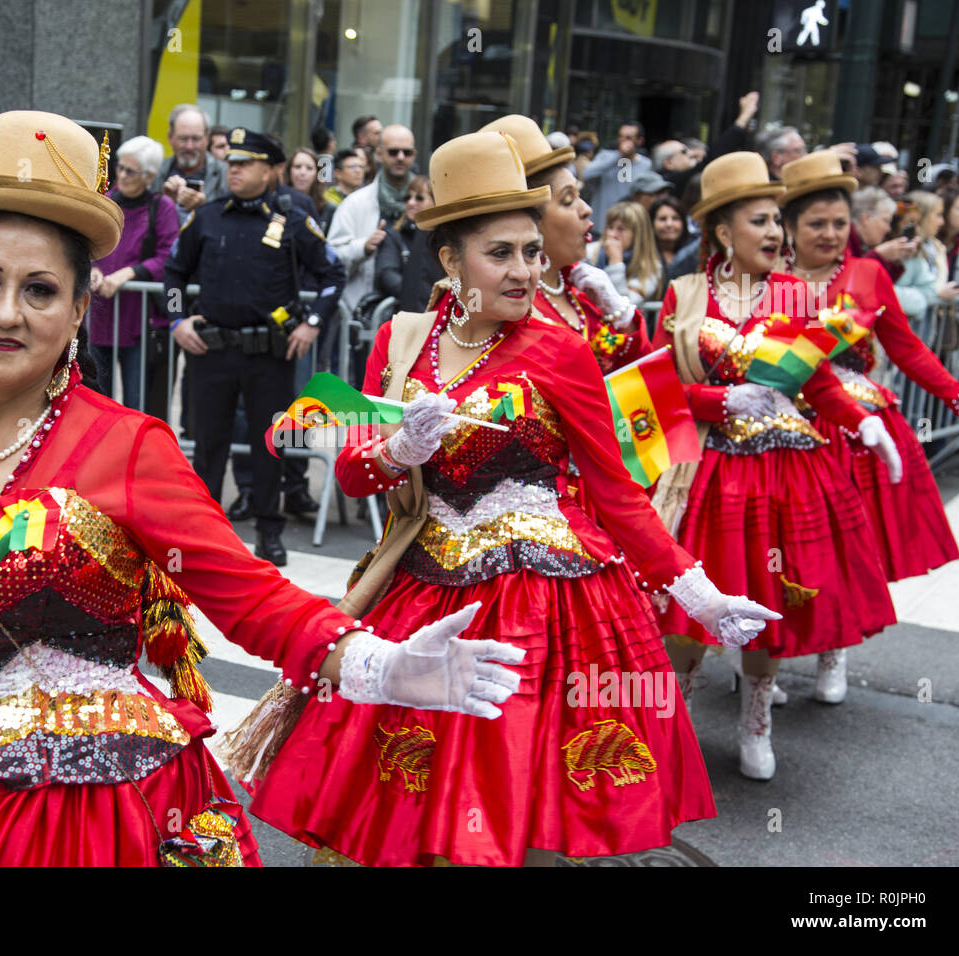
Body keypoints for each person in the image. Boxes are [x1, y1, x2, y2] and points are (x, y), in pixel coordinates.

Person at [0, 110, 516, 866]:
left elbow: (250, 597)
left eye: (40, 290)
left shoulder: (125, 447)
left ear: (77, 310)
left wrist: (375, 664)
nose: (6, 312)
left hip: (90, 814)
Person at [244, 129, 780, 866]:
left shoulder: (559, 349)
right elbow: (352, 478)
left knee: (518, 791)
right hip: (427, 588)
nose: (527, 270)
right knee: (408, 791)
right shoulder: (401, 342)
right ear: (449, 261)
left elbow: (617, 494)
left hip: (548, 601)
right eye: (501, 254)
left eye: (532, 250)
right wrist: (400, 450)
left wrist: (700, 597)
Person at [651, 152, 902, 780]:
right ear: (721, 231)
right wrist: (720, 398)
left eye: (776, 222)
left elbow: (815, 380)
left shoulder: (795, 292)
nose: (774, 234)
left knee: (769, 602)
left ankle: (755, 725)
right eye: (759, 220)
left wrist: (862, 421)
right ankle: (675, 725)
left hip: (781, 475)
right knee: (690, 606)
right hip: (705, 470)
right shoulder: (684, 295)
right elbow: (654, 391)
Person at [781, 151, 959, 592]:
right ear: (790, 227)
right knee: (781, 544)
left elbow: (906, 348)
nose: (830, 234)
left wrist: (956, 392)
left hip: (847, 424)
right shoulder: (766, 277)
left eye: (839, 223)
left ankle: (835, 646)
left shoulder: (867, 274)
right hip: (775, 419)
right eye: (817, 224)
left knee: (846, 545)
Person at [165, 129, 344, 566]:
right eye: (232, 163)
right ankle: (204, 535)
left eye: (245, 164)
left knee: (270, 446)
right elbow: (173, 272)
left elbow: (331, 275)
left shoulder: (294, 217)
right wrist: (176, 319)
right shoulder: (207, 216)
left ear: (271, 170)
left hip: (270, 355)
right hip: (212, 352)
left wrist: (313, 324)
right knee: (209, 446)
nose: (235, 170)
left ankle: (269, 532)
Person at [482, 115, 649, 376]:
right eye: (569, 201)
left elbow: (645, 378)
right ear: (527, 221)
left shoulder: (583, 292)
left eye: (580, 196)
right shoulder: (507, 303)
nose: (587, 210)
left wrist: (623, 316)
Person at [86, 135, 179, 416]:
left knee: (136, 401)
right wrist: (90, 269)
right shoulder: (104, 201)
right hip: (100, 315)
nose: (122, 175)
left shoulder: (162, 207)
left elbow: (168, 256)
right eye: (121, 167)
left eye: (131, 171)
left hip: (138, 319)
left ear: (150, 176)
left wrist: (130, 273)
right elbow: (86, 242)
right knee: (98, 399)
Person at [327, 124, 417, 321]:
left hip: (416, 317)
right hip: (363, 317)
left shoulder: (429, 202)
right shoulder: (355, 203)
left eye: (407, 152)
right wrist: (363, 247)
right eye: (393, 152)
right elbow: (330, 258)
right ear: (379, 154)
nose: (400, 157)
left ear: (414, 155)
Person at [895, 190, 959, 314]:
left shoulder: (937, 247)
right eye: (938, 215)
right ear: (922, 216)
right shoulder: (903, 247)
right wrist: (938, 293)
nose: (942, 222)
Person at [149, 104, 226, 215]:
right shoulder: (154, 172)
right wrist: (164, 203)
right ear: (170, 137)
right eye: (183, 139)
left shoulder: (226, 175)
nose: (189, 146)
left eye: (196, 139)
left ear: (207, 139)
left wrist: (204, 208)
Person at [581, 119, 650, 227]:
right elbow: (586, 174)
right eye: (620, 136)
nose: (622, 141)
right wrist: (619, 156)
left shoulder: (646, 165)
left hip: (628, 226)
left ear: (639, 141)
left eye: (628, 138)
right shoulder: (605, 156)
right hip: (599, 224)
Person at [591, 201, 663, 306]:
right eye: (610, 227)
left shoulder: (651, 267)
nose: (612, 234)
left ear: (637, 234)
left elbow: (621, 305)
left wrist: (615, 262)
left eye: (620, 229)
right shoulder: (590, 253)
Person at [374, 174, 432, 299]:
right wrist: (420, 295)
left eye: (419, 198)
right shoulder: (394, 236)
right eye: (408, 197)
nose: (411, 203)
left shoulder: (445, 237)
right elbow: (388, 275)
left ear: (435, 202)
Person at [649, 195, 690, 270]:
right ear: (651, 223)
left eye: (675, 218)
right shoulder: (642, 256)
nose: (669, 224)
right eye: (662, 219)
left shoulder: (694, 253)